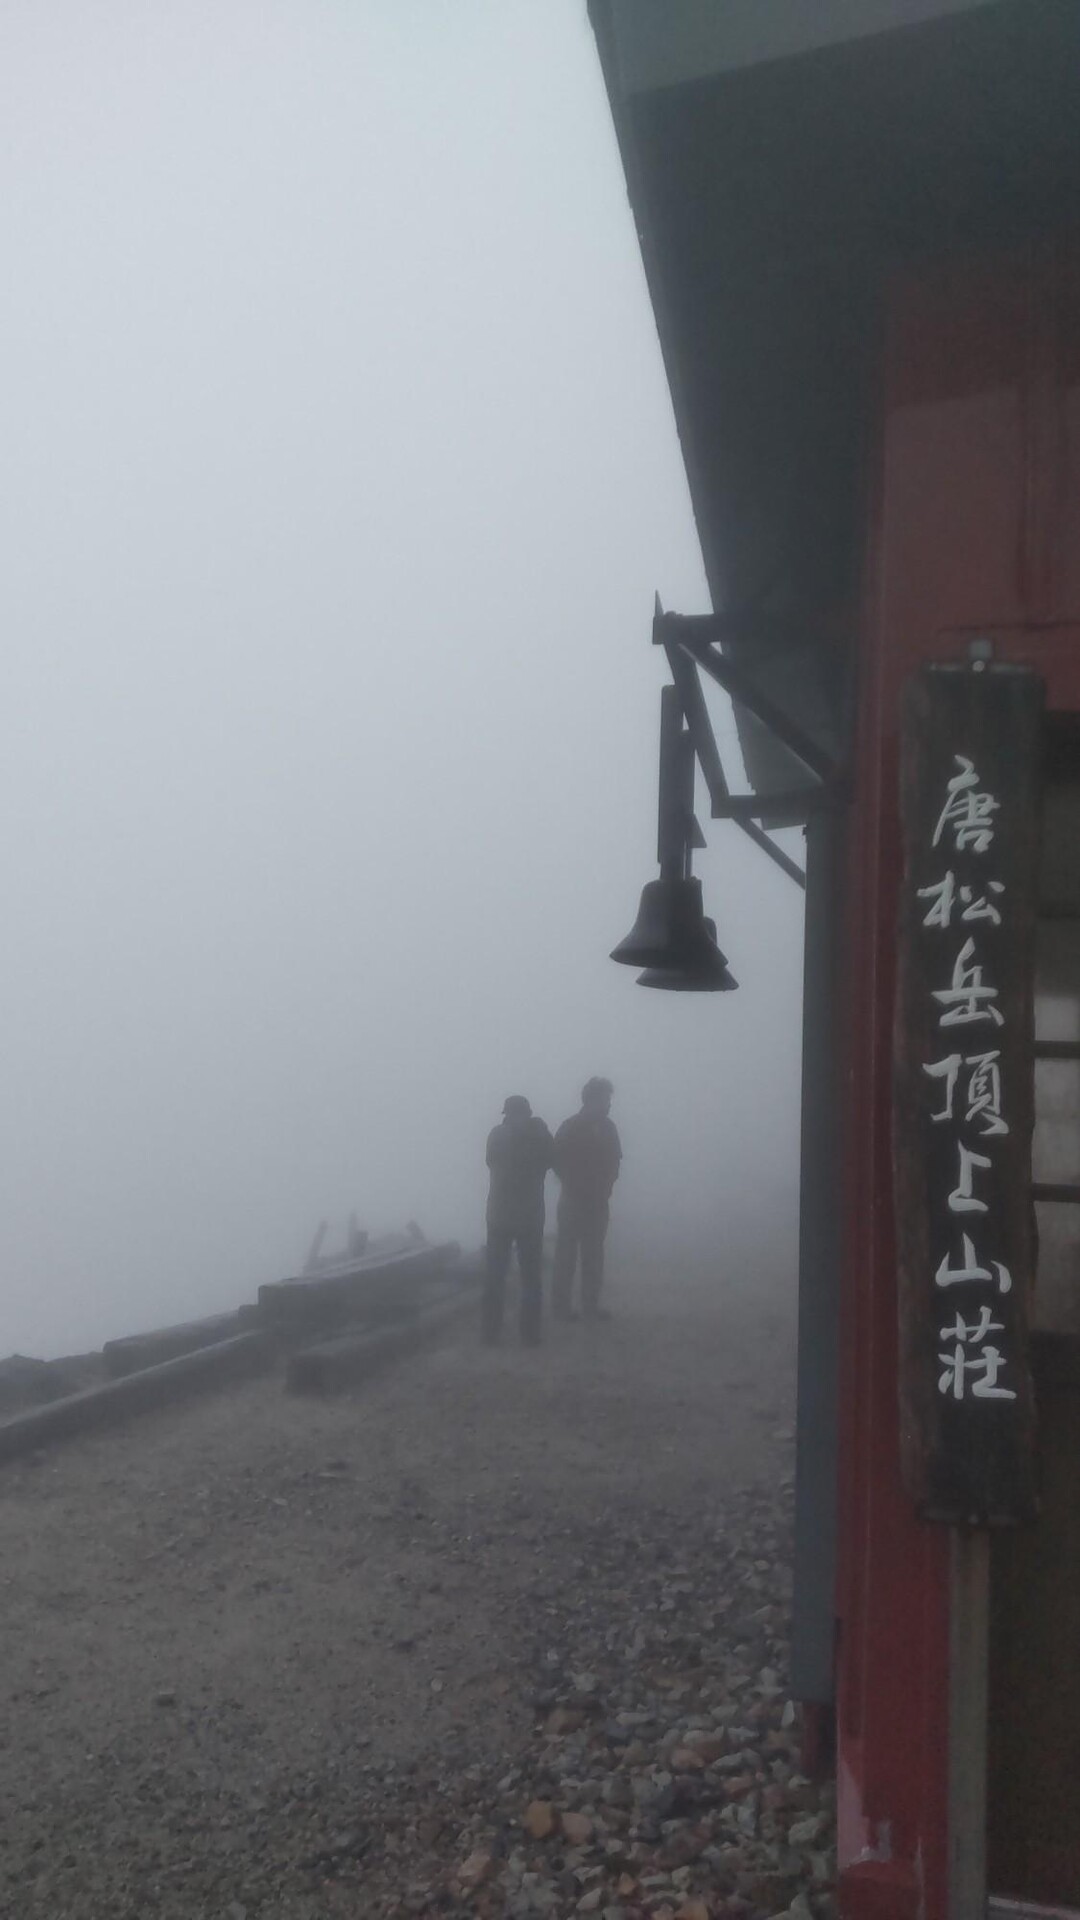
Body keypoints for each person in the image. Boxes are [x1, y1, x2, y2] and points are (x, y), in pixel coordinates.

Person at [483, 1095, 554, 1346]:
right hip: (526, 1216)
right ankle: (528, 1334)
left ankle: (491, 1333)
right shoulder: (538, 1136)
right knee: (528, 1277)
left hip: (502, 1216)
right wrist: (539, 1131)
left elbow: (490, 1161)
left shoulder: (497, 1135)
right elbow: (551, 1161)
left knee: (497, 1276)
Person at [551, 1077, 622, 1322]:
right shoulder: (571, 1126)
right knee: (567, 1256)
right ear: (593, 1099)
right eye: (606, 1099)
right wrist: (575, 1185)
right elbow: (556, 1160)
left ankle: (590, 1306)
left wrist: (607, 1186)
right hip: (574, 1200)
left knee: (593, 1255)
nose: (609, 1104)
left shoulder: (608, 1128)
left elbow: (615, 1160)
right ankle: (561, 1308)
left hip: (597, 1200)